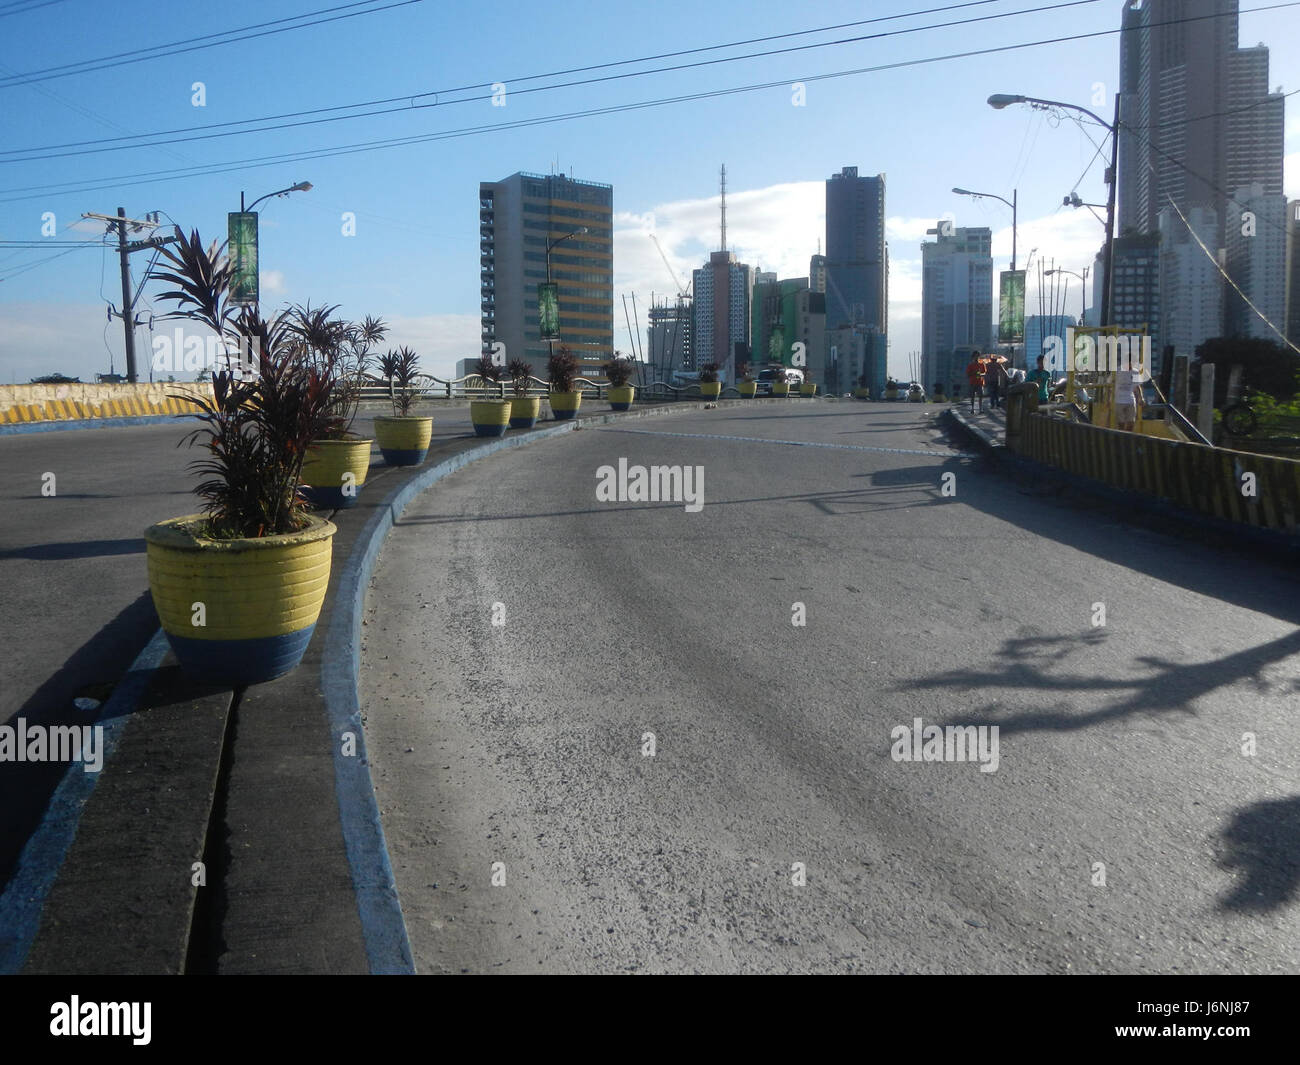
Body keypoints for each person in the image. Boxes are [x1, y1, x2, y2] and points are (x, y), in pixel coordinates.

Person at [1114, 364, 1140, 431]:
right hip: (1119, 400)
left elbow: (1137, 386)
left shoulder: (1135, 372)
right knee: (1121, 424)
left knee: (1131, 423)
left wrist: (1141, 398)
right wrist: (1109, 398)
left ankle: (1127, 438)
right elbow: (1110, 383)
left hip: (1130, 400)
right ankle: (1121, 439)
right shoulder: (1117, 370)